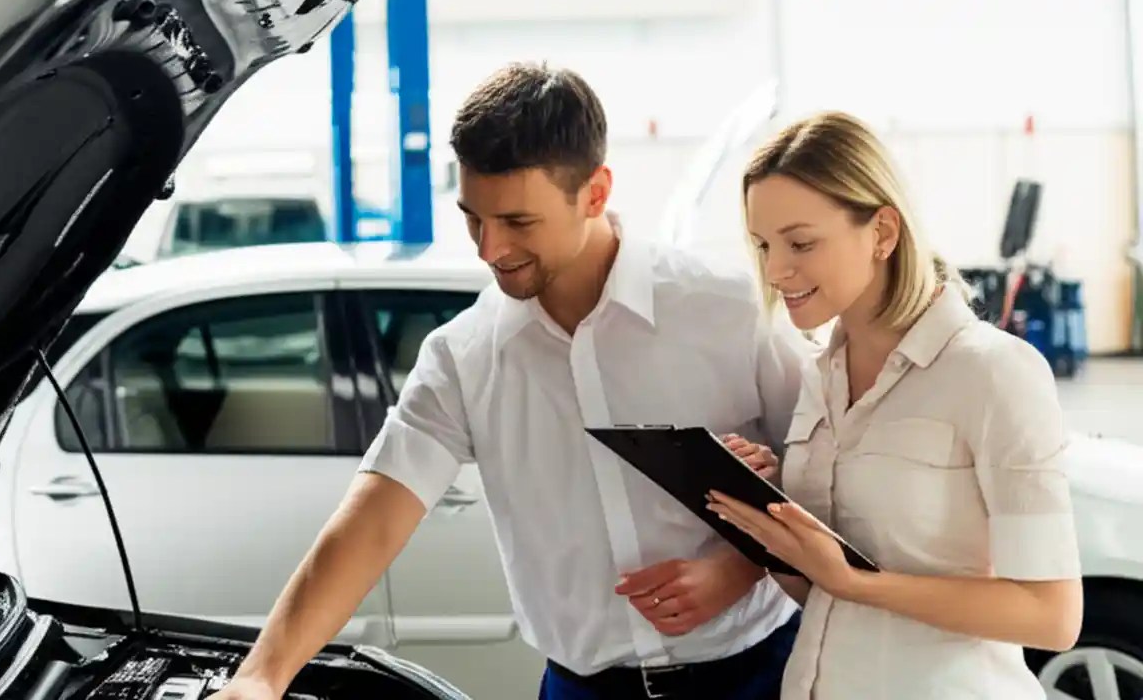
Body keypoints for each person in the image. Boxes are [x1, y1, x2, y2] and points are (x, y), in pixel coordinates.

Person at [212, 62, 809, 700]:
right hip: (578, 689)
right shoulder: (463, 357)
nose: (488, 249)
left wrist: (740, 567)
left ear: (596, 193)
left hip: (759, 676)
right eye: (474, 218)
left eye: (519, 223)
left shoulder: (730, 311)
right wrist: (261, 677)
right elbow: (372, 522)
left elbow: (832, 479)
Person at [707, 111, 1084, 699]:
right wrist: (770, 521)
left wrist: (853, 580)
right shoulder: (819, 375)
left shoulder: (994, 371)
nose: (776, 270)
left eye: (800, 242)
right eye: (763, 245)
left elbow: (1052, 615)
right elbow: (823, 593)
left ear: (883, 231)